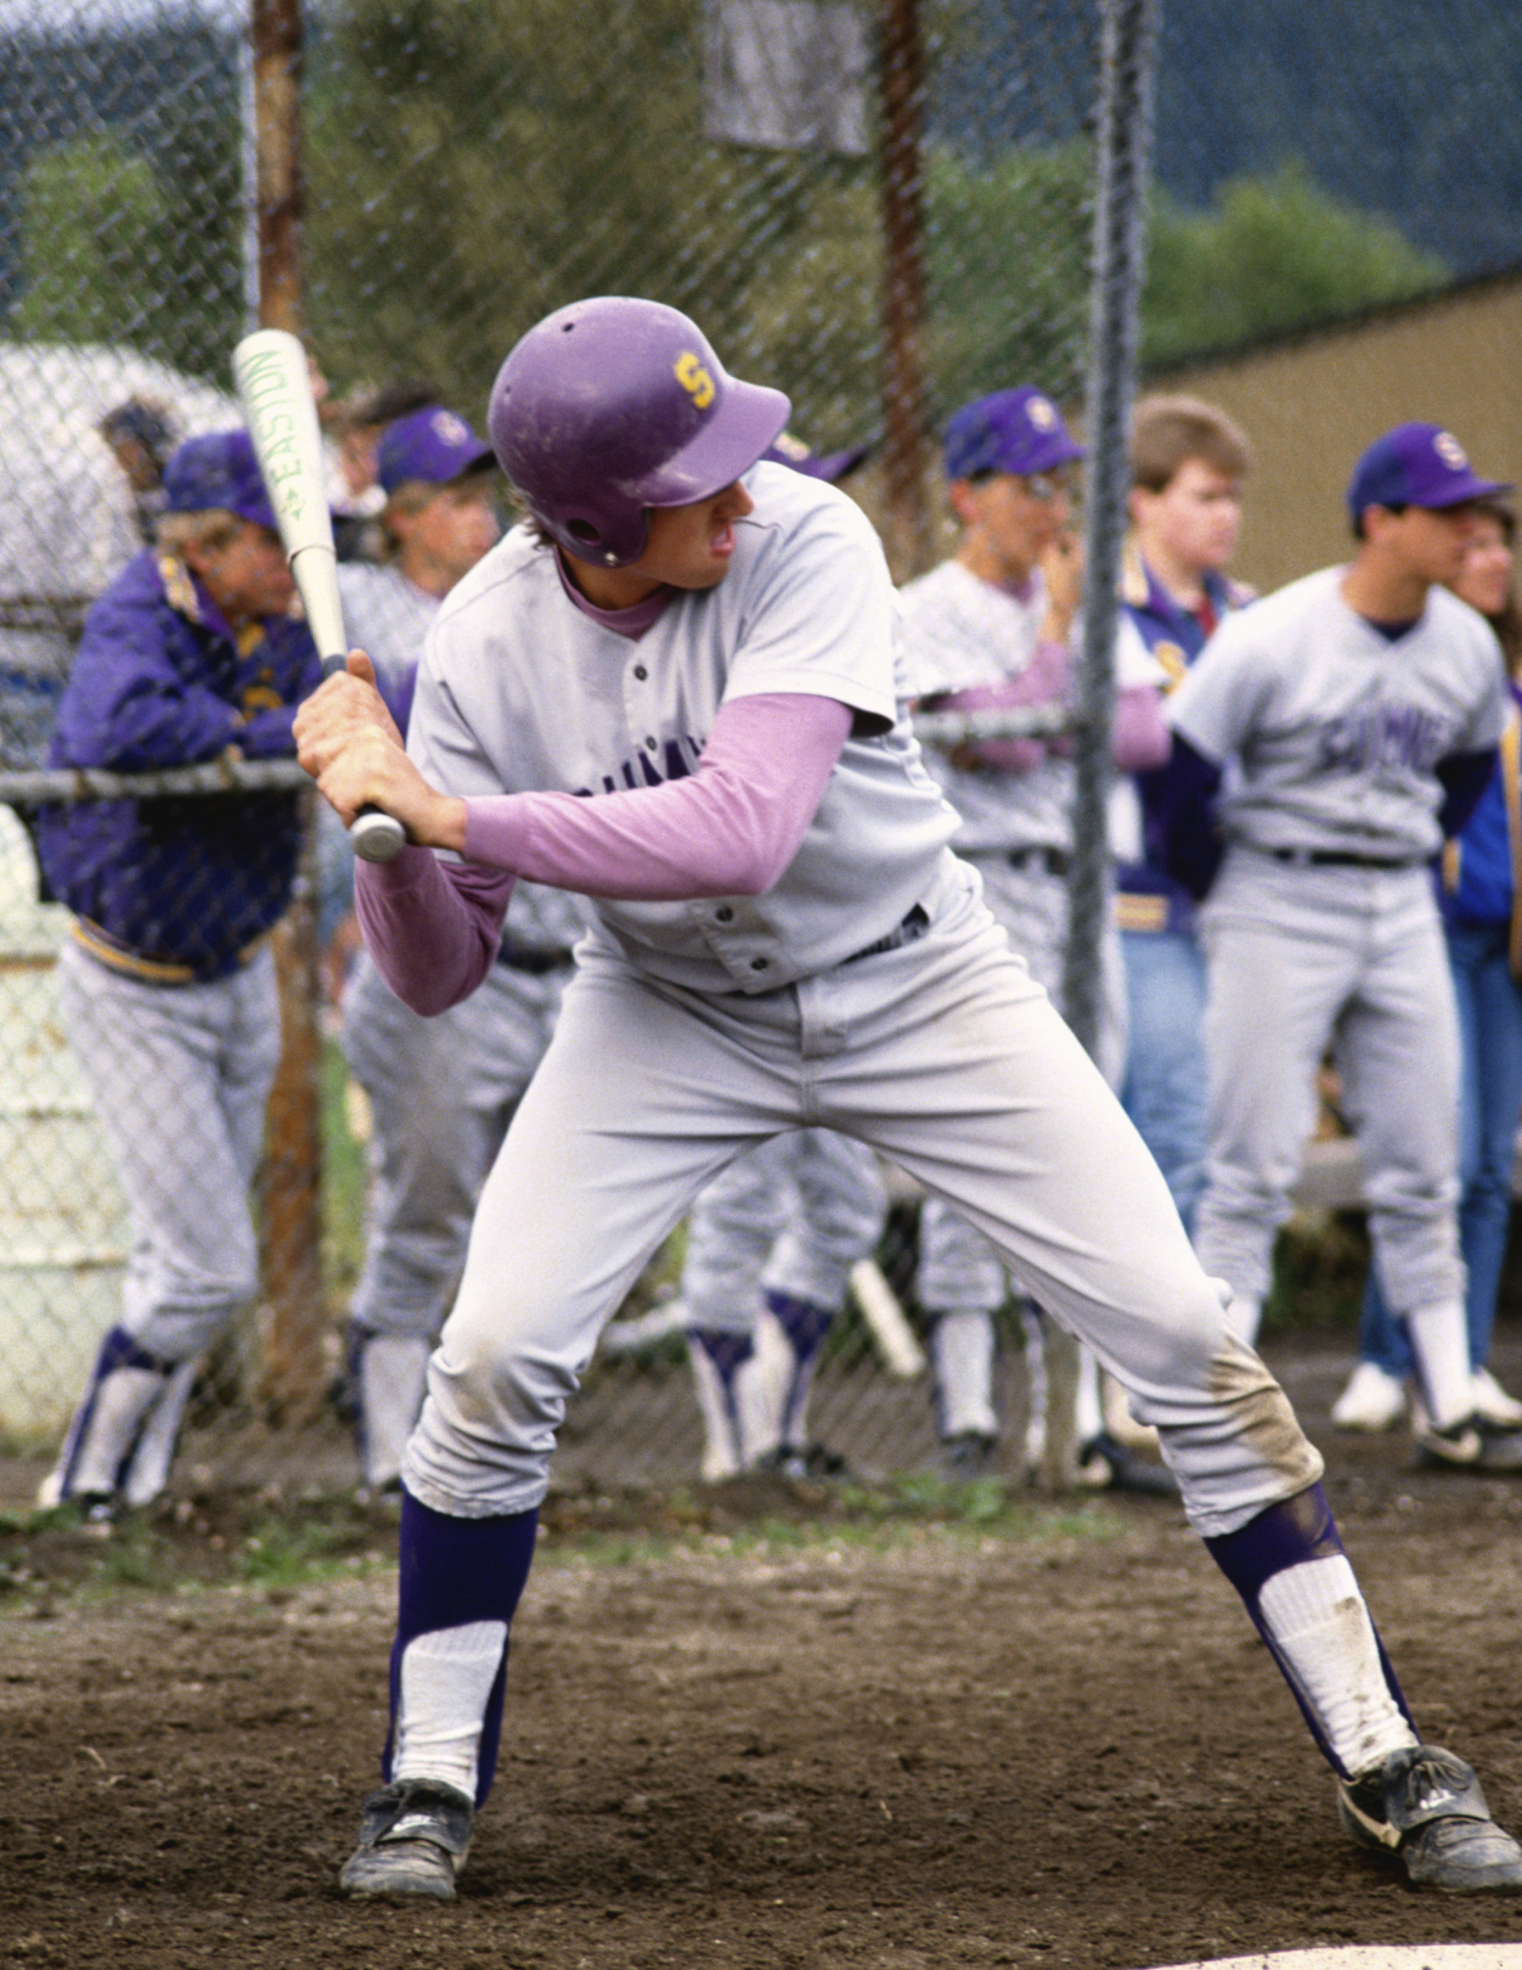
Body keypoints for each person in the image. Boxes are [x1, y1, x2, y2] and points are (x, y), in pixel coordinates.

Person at [294, 300, 1522, 1902]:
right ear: (590, 519)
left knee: (1179, 1329)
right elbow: (442, 967)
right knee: (492, 1351)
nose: (740, 490)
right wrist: (379, 818)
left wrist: (454, 803)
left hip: (916, 978)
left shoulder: (807, 539)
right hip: (663, 1011)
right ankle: (426, 1776)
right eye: (694, 480)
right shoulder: (479, 644)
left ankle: (1381, 1749)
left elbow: (742, 827)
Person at [1163, 421, 1522, 1475]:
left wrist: (1408, 856)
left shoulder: (1461, 642)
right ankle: (1214, 1409)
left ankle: (1449, 1397)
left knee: (1427, 1161)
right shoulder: (1276, 634)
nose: (1469, 529)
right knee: (1251, 1165)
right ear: (1380, 520)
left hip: (1398, 895)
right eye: (1445, 511)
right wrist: (1219, 887)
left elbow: (1460, 777)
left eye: (1475, 510)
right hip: (1277, 887)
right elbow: (1180, 773)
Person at [32, 429, 322, 1514]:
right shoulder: (138, 611)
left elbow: (338, 708)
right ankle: (84, 1478)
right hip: (135, 985)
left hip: (241, 971)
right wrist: (256, 734)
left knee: (174, 1258)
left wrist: (262, 731)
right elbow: (120, 719)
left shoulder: (281, 623)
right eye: (271, 538)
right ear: (206, 541)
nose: (294, 558)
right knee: (208, 1273)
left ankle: (123, 1492)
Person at [898, 386, 1174, 1490]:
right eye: (1028, 484)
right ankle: (968, 1413)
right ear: (967, 493)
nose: (1051, 505)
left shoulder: (1083, 592)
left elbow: (1145, 735)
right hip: (983, 893)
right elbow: (991, 746)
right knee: (972, 1151)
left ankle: (1084, 1415)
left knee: (1092, 1149)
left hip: (1084, 893)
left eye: (1062, 483)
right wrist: (1061, 642)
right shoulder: (925, 606)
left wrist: (1051, 672)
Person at [333, 403, 587, 1493]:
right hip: (431, 969)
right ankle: (391, 1455)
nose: (476, 520)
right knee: (428, 1210)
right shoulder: (358, 610)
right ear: (398, 518)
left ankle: (487, 1441)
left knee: (540, 1223)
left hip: (554, 962)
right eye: (451, 502)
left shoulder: (516, 604)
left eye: (487, 499)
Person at [1335, 496, 1522, 1436]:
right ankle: (1386, 1354)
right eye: (1475, 541)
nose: (1488, 559)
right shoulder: (1410, 659)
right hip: (1427, 927)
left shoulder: (1499, 675)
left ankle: (1466, 1363)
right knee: (1430, 1148)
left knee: (1490, 1163)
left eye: (1501, 545)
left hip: (1502, 943)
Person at [1115, 394, 1255, 1236]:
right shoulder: (1103, 608)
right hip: (1140, 903)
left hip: (1240, 904)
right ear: (1145, 500)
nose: (1226, 515)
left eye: (1233, 496)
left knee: (1220, 1136)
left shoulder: (1249, 613)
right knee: (1165, 1122)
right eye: (1206, 496)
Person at [682, 1127, 887, 1479]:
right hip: (743, 1073)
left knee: (848, 1210)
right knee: (738, 1212)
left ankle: (778, 1445)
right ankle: (738, 1467)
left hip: (830, 1071)